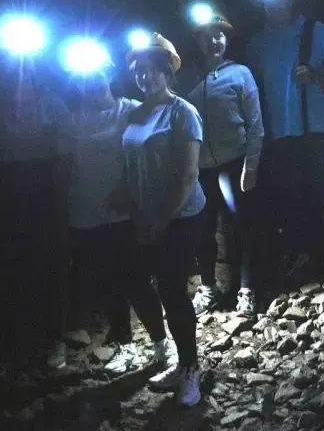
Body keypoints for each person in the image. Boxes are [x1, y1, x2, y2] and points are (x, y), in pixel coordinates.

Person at [114, 31, 205, 407]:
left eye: (153, 70)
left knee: (173, 293)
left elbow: (188, 175)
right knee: (145, 285)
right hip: (144, 218)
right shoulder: (134, 113)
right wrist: (131, 208)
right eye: (139, 70)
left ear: (168, 72)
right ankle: (171, 355)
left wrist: (163, 220)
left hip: (179, 217)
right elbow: (131, 166)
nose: (145, 77)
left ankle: (190, 369)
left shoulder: (182, 112)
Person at [0, 64, 71, 372]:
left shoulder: (52, 104)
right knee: (6, 269)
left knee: (50, 268)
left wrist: (62, 205)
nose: (21, 81)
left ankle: (55, 338)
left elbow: (64, 156)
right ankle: (10, 343)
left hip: (43, 193)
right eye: (14, 75)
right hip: (1, 196)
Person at [245, 0, 324, 279]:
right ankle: (306, 255)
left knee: (322, 194)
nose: (273, 4)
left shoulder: (314, 30)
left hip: (315, 127)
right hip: (279, 134)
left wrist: (316, 73)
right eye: (267, 0)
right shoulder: (258, 43)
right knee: (290, 196)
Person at [50, 62, 148, 374]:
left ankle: (160, 342)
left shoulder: (130, 109)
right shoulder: (70, 119)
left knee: (135, 278)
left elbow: (148, 151)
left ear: (109, 76)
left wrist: (131, 188)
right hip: (84, 213)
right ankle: (124, 341)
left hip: (122, 212)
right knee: (106, 281)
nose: (92, 83)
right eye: (84, 79)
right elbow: (63, 164)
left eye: (98, 75)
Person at [187, 11, 265, 317]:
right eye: (206, 36)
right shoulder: (189, 80)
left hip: (235, 163)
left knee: (242, 226)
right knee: (202, 229)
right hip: (201, 168)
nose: (212, 41)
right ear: (198, 41)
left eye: (218, 35)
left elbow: (255, 123)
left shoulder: (240, 73)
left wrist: (252, 165)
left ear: (226, 40)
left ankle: (247, 288)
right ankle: (209, 287)